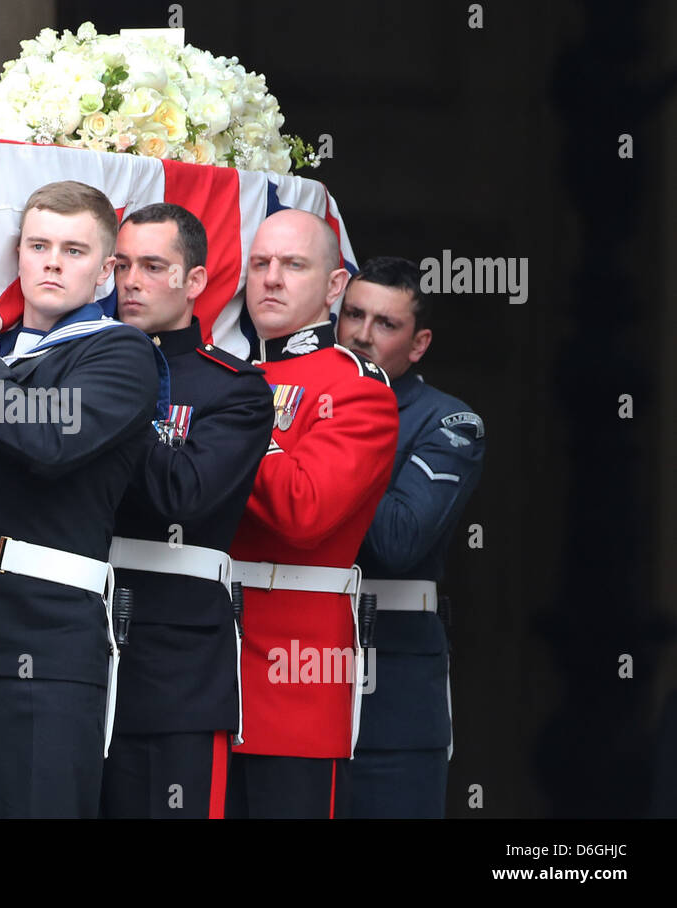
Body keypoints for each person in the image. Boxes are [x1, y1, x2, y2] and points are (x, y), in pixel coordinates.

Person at [0, 180, 163, 817]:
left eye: (73, 250)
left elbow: (46, 438)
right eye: (38, 245)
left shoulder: (121, 355)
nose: (51, 261)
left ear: (105, 271)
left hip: (45, 640)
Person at [100, 203, 273, 818]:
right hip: (77, 641)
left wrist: (118, 404)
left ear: (194, 281)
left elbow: (186, 494)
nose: (131, 281)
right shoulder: (77, 367)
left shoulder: (234, 388)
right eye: (121, 265)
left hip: (174, 660)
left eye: (153, 266)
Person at [225, 209, 398, 818]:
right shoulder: (230, 375)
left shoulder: (358, 386)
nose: (271, 279)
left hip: (295, 669)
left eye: (293, 265)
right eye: (260, 264)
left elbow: (305, 511)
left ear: (334, 287)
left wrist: (241, 426)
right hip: (204, 662)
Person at [336, 256, 485, 818]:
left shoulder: (448, 422)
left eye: (385, 324)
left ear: (418, 344)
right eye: (353, 315)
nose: (362, 335)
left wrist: (336, 442)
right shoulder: (304, 398)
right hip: (292, 667)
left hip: (392, 679)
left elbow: (398, 540)